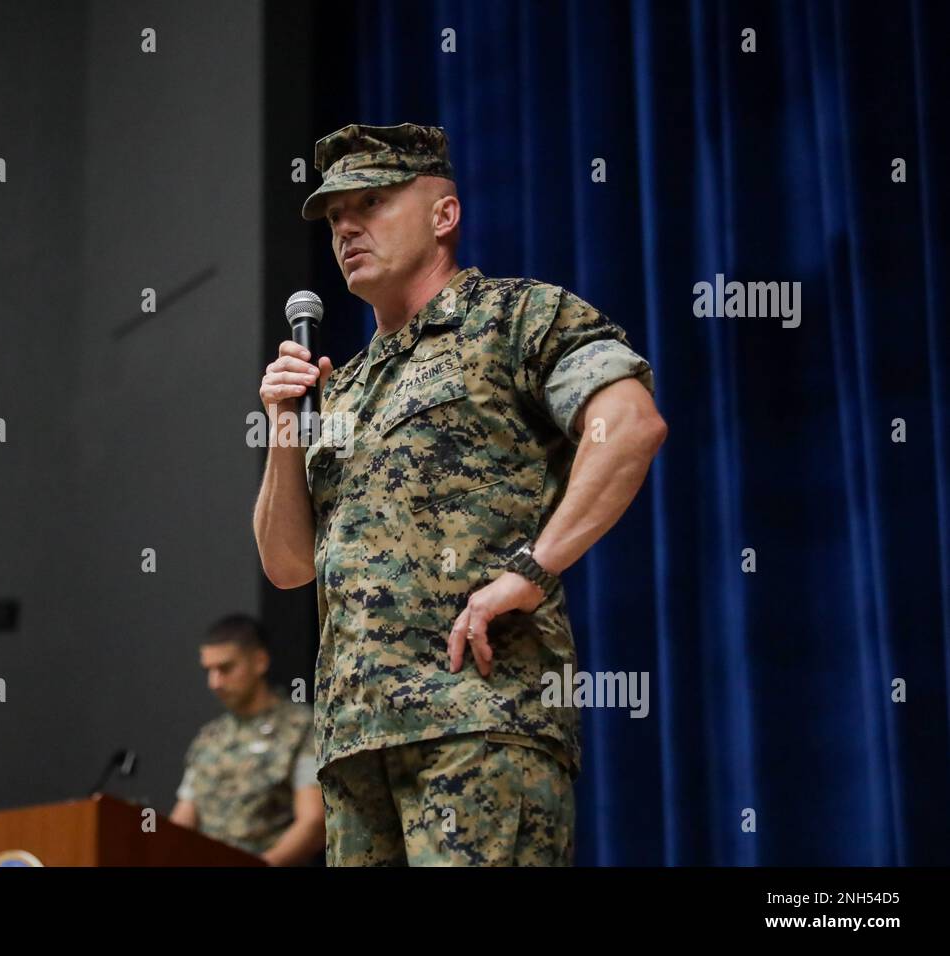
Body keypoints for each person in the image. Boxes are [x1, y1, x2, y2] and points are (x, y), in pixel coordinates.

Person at [252, 123, 668, 866]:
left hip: (479, 720)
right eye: (336, 218)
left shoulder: (515, 317)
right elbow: (288, 564)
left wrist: (532, 570)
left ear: (443, 215)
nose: (347, 227)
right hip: (355, 745)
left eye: (371, 202)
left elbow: (630, 425)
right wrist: (283, 423)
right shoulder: (339, 389)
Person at [169, 614, 325, 865]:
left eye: (226, 668)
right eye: (209, 671)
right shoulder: (210, 737)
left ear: (260, 661)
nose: (215, 682)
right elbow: (184, 817)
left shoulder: (300, 726)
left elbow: (314, 822)